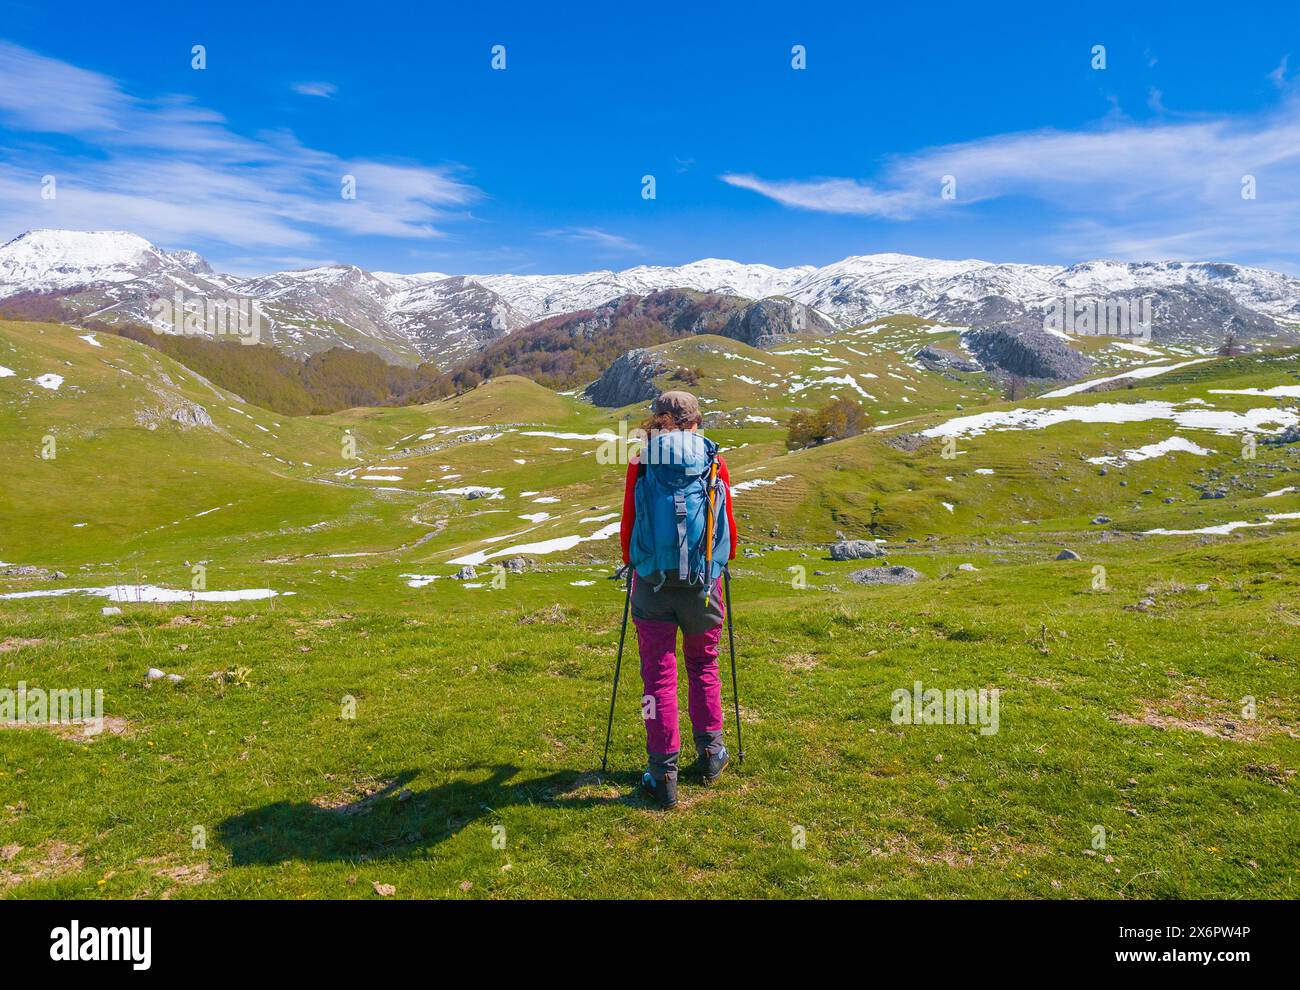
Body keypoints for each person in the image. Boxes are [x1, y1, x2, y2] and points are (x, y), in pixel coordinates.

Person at [619, 390, 738, 809]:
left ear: (657, 420)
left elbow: (629, 524)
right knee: (703, 664)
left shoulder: (641, 460)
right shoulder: (713, 460)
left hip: (652, 583)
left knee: (658, 676)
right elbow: (727, 527)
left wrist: (635, 564)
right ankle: (711, 754)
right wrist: (719, 565)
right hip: (703, 585)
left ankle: (662, 774)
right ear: (695, 422)